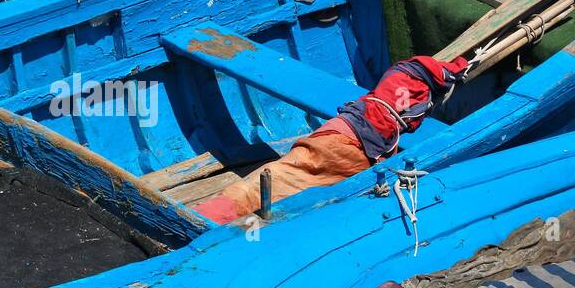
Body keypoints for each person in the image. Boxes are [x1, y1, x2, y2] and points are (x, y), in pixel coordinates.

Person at [194, 55, 469, 224]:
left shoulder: (403, 80)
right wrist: (455, 72)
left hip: (347, 141)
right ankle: (204, 220)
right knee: (278, 182)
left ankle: (211, 218)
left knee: (282, 182)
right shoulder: (416, 78)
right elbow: (440, 73)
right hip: (348, 144)